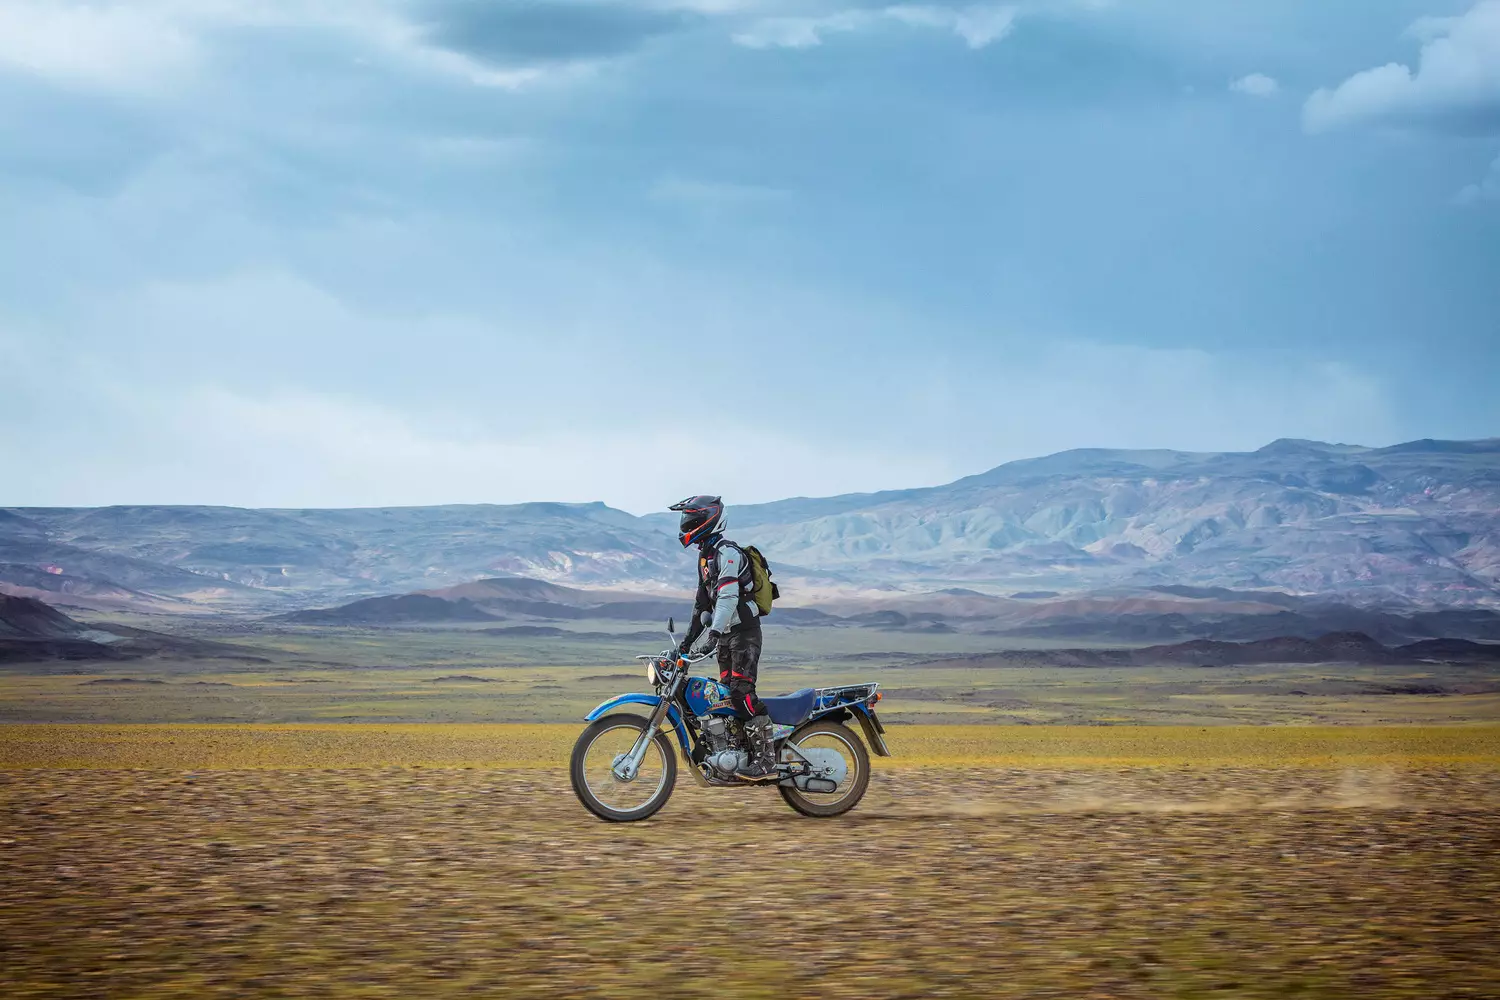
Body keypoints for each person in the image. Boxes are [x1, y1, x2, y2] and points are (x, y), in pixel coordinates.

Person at [668, 495, 775, 779]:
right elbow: (701, 604)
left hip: (744, 634)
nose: (686, 524)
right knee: (726, 697)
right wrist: (685, 644)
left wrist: (713, 634)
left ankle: (766, 760)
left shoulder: (727, 553)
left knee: (741, 692)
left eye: (690, 519)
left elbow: (727, 598)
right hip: (728, 637)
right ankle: (736, 755)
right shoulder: (707, 556)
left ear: (707, 519)